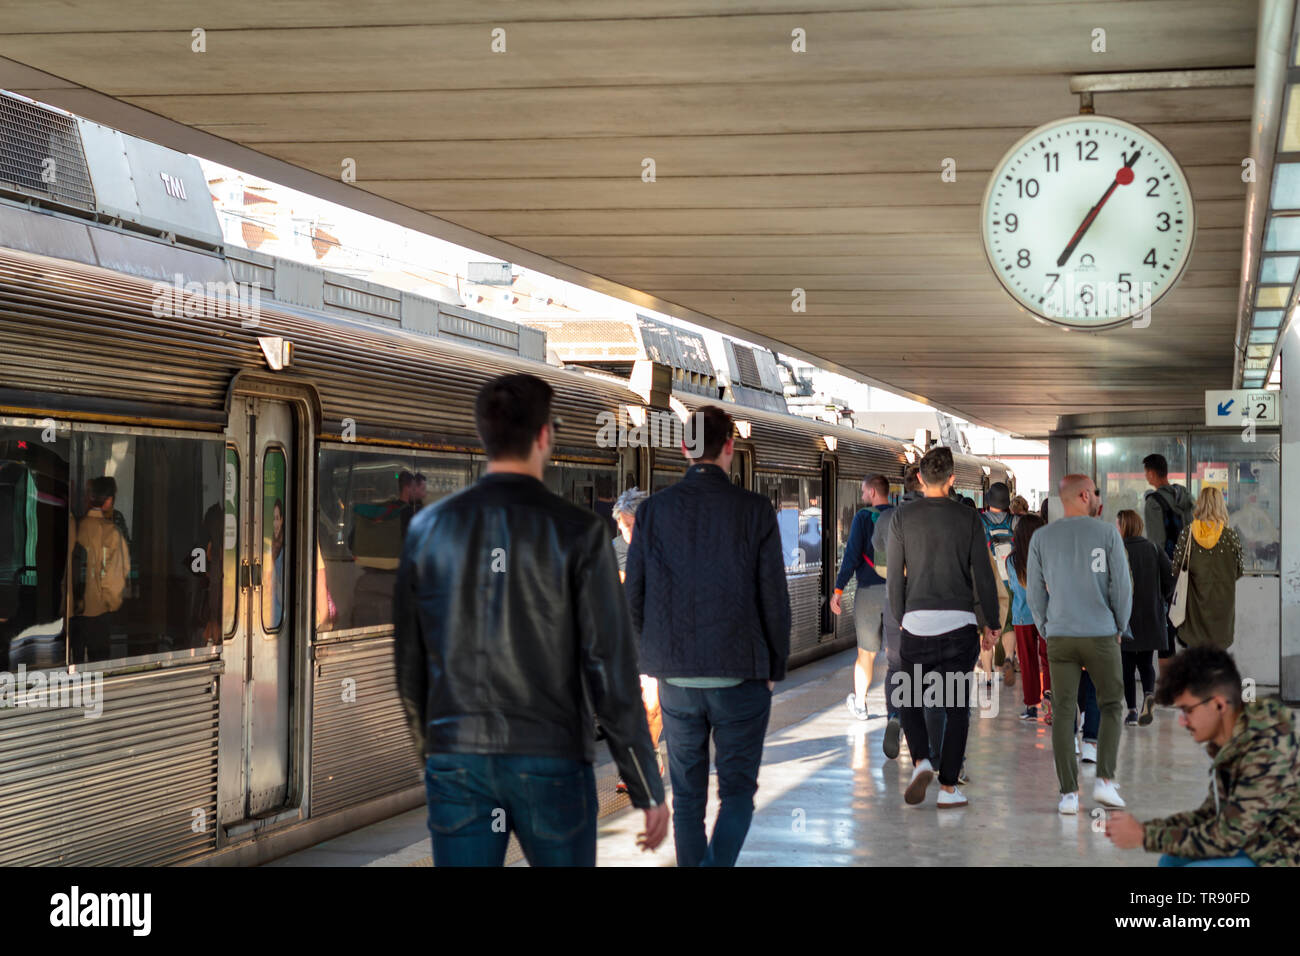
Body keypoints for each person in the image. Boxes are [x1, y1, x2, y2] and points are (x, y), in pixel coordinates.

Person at [394, 373, 667, 866]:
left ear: (484, 436)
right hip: (553, 759)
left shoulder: (427, 528)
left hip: (458, 759)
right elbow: (611, 670)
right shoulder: (580, 534)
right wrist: (646, 785)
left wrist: (431, 756)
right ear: (544, 437)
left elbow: (410, 665)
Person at [627, 405, 790, 867]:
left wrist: (649, 662)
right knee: (737, 796)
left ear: (684, 449)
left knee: (688, 800)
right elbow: (774, 599)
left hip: (677, 683)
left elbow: (633, 598)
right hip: (742, 677)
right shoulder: (755, 511)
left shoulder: (653, 512)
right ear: (729, 449)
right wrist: (774, 668)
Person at [1106, 647, 1300, 866]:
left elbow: (1226, 837)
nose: (1181, 721)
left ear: (1218, 704)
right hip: (1257, 845)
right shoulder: (1232, 741)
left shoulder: (1267, 747)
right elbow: (1210, 816)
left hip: (1284, 856)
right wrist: (1144, 829)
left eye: (1188, 710)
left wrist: (1143, 836)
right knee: (1171, 860)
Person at [885, 446, 1000, 809]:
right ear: (952, 480)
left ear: (920, 478)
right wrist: (992, 624)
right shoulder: (967, 519)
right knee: (955, 708)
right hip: (960, 626)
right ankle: (949, 788)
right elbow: (982, 573)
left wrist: (903, 618)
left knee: (909, 699)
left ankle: (920, 760)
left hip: (917, 624)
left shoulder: (901, 518)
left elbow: (894, 580)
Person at [1026, 474, 1132, 815]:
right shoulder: (1107, 534)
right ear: (1085, 495)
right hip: (1101, 632)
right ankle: (1104, 781)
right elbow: (1122, 586)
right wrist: (1119, 624)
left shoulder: (1042, 537)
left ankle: (1068, 795)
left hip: (1060, 636)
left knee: (1064, 712)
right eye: (1096, 493)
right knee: (1113, 704)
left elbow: (1034, 593)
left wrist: (1045, 627)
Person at [872, 465, 944, 762]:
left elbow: (880, 567)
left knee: (896, 665)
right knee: (932, 670)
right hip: (932, 601)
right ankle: (929, 735)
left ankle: (895, 715)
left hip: (895, 601)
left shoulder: (887, 518)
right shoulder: (942, 516)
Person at [610, 486, 663, 796]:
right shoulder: (616, 549)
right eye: (622, 525)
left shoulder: (663, 547)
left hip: (654, 638)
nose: (626, 531)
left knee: (652, 706)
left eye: (631, 525)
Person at [831, 474, 891, 721]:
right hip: (896, 593)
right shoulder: (899, 516)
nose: (863, 496)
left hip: (867, 593)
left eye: (865, 492)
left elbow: (851, 555)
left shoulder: (863, 517)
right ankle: (899, 706)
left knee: (866, 653)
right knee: (896, 651)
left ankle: (861, 705)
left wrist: (838, 590)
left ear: (874, 493)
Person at [1116, 509, 1173, 726]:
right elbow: (1170, 578)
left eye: (1117, 525)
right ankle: (1149, 693)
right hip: (1151, 614)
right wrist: (1162, 600)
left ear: (1124, 527)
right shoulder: (1154, 548)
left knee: (1127, 667)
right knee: (1146, 663)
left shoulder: (1119, 550)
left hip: (1126, 616)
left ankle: (1131, 711)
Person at [1170, 487, 1245, 650]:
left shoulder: (1187, 534)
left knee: (1196, 666)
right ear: (1220, 505)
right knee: (1217, 666)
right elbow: (1239, 571)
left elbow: (1176, 568)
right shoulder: (1231, 536)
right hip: (1222, 613)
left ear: (1199, 505)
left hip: (1193, 616)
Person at [71, 476, 131, 663]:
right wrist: (111, 604)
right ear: (109, 501)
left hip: (71, 612)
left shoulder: (75, 525)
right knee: (98, 666)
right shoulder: (111, 532)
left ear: (89, 498)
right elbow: (115, 576)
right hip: (98, 612)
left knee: (74, 663)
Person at [1005, 513, 1050, 721]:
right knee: (1048, 659)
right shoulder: (1046, 555)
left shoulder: (1012, 560)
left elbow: (1013, 588)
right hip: (1046, 614)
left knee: (1027, 661)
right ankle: (1051, 702)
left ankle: (1032, 705)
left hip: (1022, 615)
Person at [979, 481, 1017, 687]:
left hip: (988, 581)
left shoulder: (979, 521)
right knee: (1009, 624)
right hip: (1010, 580)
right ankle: (1009, 658)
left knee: (986, 627)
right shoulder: (1015, 521)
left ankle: (987, 675)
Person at [1142, 453, 1194, 560]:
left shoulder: (1153, 502)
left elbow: (1156, 543)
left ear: (1151, 473)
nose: (1145, 476)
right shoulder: (1184, 494)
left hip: (1169, 566)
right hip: (1189, 561)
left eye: (1146, 472)